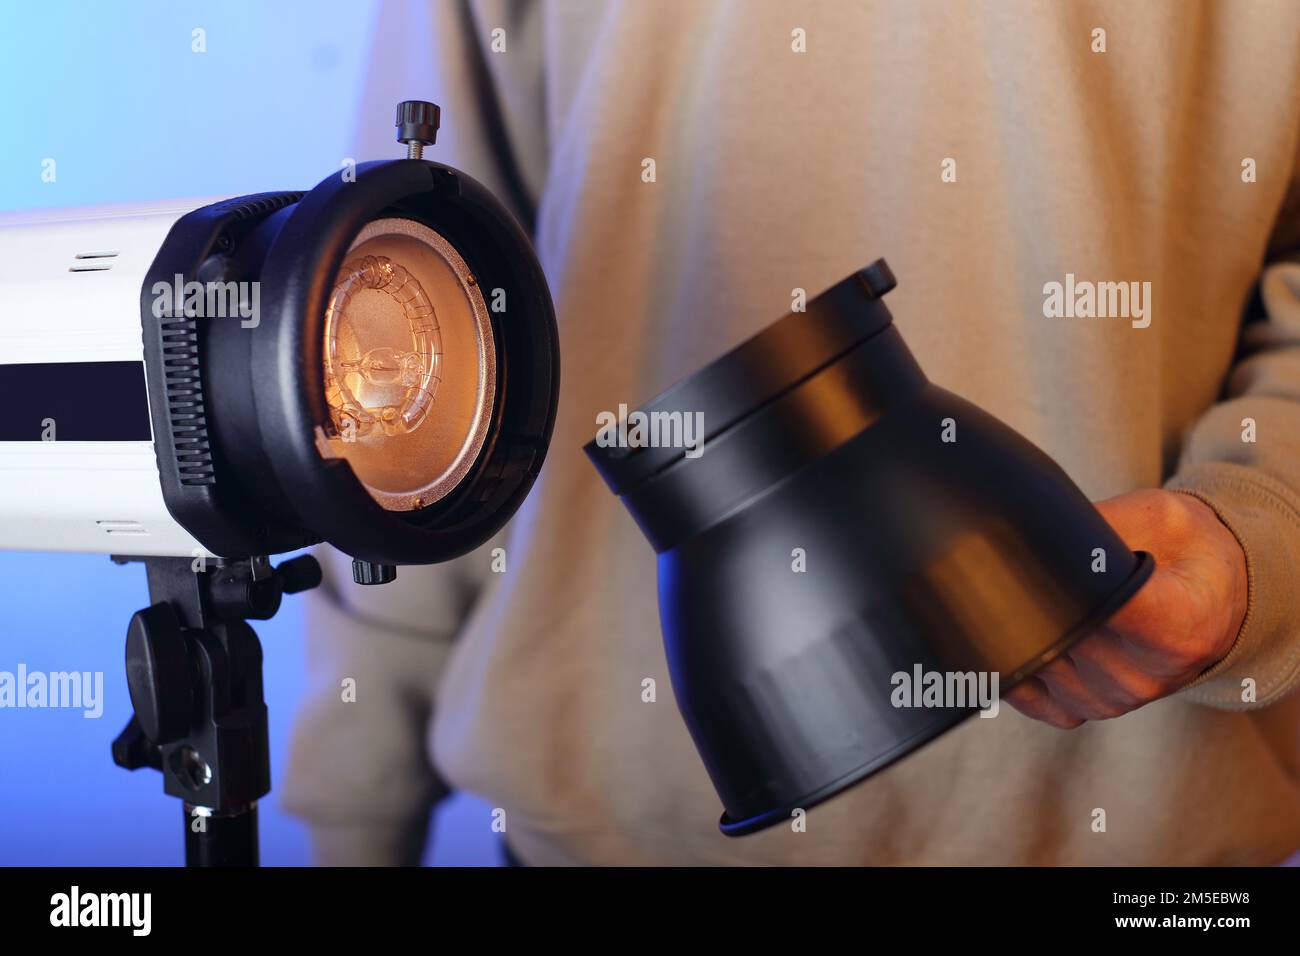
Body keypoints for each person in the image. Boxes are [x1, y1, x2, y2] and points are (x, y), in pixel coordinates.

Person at [284, 0, 1300, 865]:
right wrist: (351, 809)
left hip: (1144, 848)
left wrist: (1255, 540)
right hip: (609, 829)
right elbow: (401, 318)